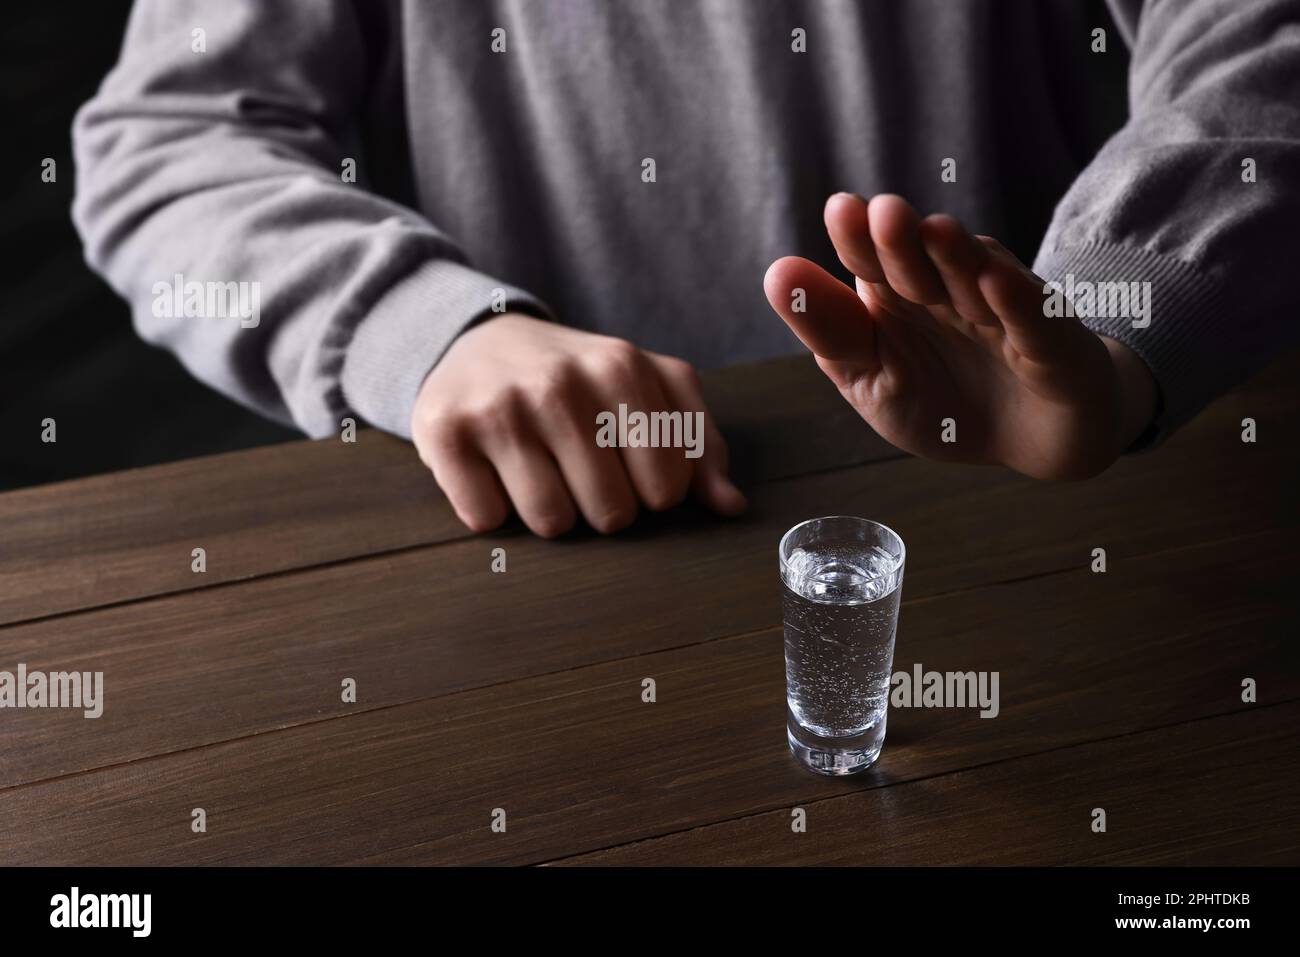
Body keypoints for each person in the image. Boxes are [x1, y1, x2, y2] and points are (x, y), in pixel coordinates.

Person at [73, 0, 1300, 537]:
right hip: (533, 552)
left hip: (1051, 540)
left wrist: (1114, 326)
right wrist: (424, 329)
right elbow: (170, 142)